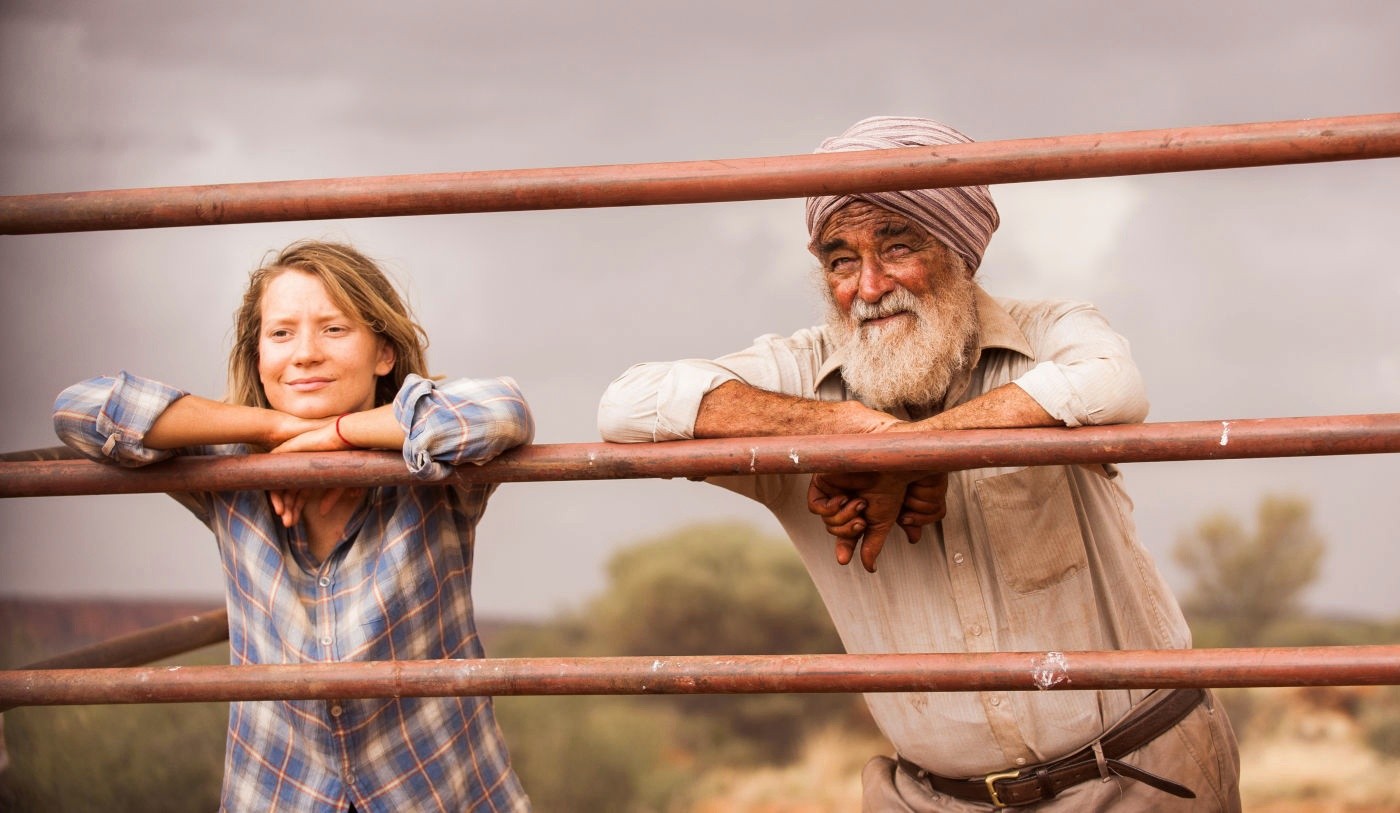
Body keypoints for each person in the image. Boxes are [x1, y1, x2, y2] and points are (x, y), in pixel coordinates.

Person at [598, 117, 1241, 811]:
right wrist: (840, 429)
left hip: (1138, 776)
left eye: (897, 246)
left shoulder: (1050, 329)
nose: (868, 286)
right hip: (932, 799)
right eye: (841, 260)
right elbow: (627, 405)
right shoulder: (802, 372)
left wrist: (914, 456)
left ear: (960, 250)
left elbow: (1115, 383)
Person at [54, 241, 533, 812]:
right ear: (258, 355)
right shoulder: (227, 462)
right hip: (280, 793)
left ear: (383, 352)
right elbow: (80, 408)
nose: (304, 353)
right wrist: (271, 429)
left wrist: (337, 436)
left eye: (334, 329)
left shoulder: (432, 466)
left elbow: (503, 409)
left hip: (435, 791)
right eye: (281, 334)